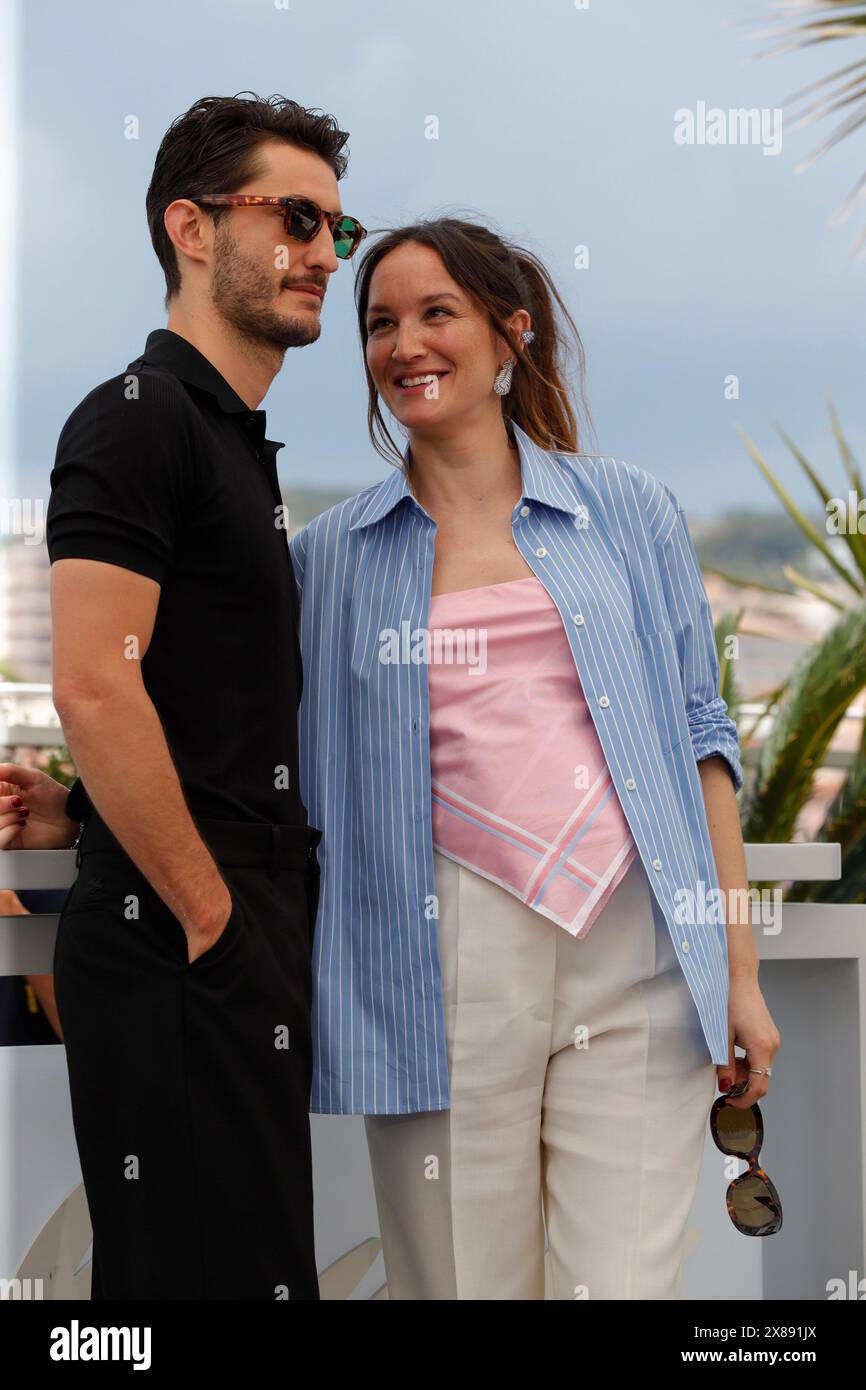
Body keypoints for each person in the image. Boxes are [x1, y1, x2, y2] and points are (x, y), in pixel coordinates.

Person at [287, 216, 781, 1299]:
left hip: (636, 943)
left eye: (435, 314)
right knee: (459, 1283)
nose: (403, 344)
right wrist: (72, 812)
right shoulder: (325, 560)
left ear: (510, 337)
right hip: (438, 957)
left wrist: (735, 973)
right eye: (378, 324)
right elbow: (252, 757)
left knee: (621, 1283)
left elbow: (703, 741)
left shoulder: (631, 513)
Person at [2, 92, 367, 1299]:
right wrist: (212, 918)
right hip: (184, 935)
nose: (323, 252)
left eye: (335, 227)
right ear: (192, 228)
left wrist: (82, 818)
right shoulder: (135, 421)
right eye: (296, 216)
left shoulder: (225, 439)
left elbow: (186, 707)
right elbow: (96, 692)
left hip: (217, 922)